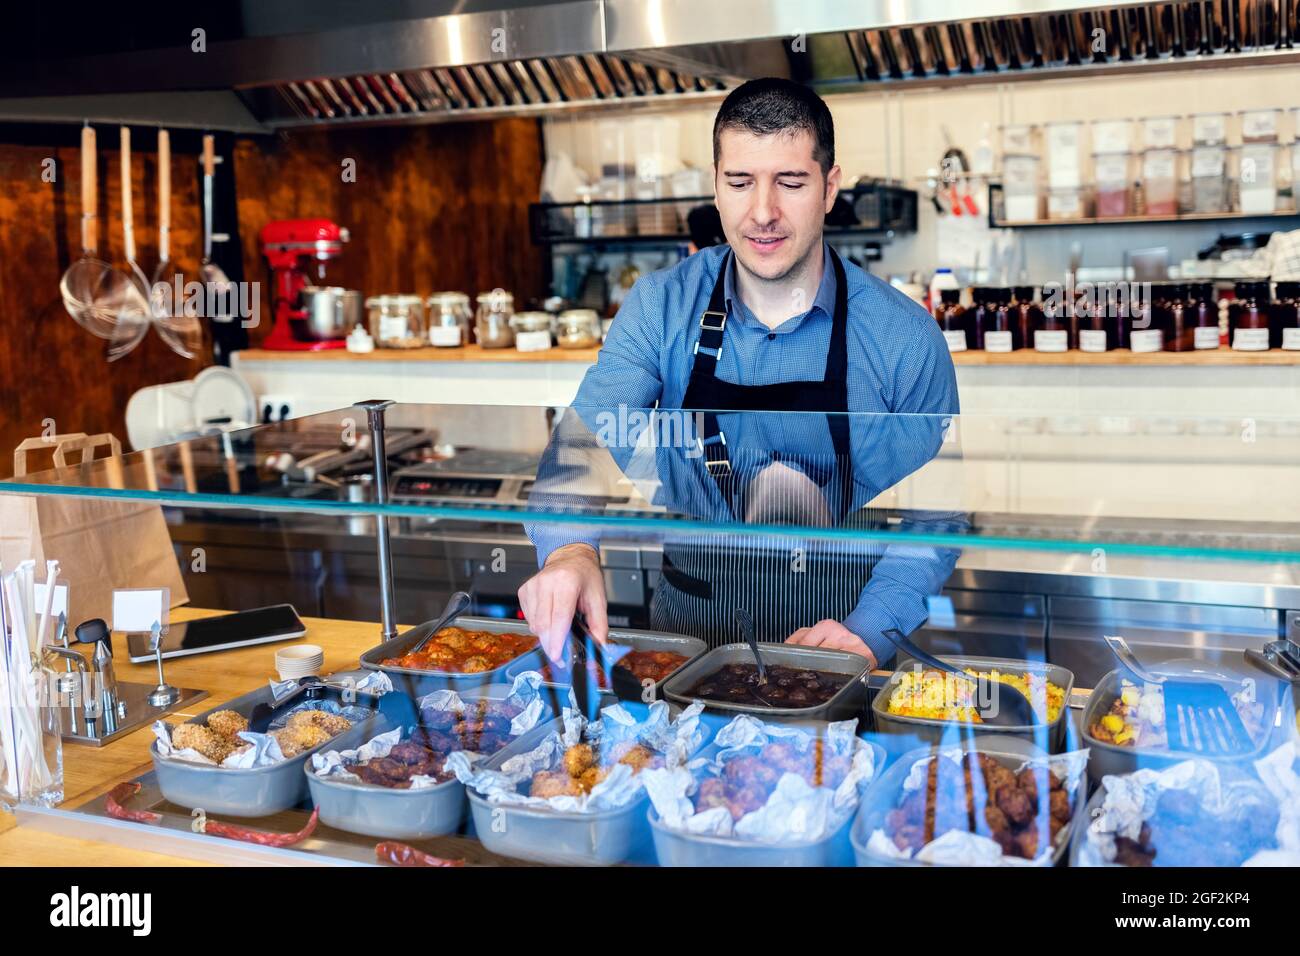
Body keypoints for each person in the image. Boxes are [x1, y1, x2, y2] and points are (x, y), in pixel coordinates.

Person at [518, 77, 960, 669]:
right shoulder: (661, 307)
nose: (763, 213)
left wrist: (873, 628)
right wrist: (569, 549)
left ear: (830, 188)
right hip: (686, 647)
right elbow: (589, 439)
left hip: (842, 648)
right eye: (741, 182)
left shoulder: (904, 336)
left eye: (791, 182)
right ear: (716, 187)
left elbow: (937, 513)